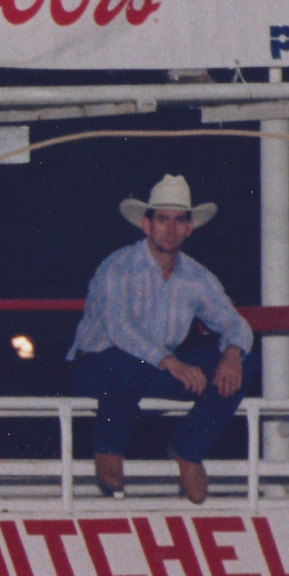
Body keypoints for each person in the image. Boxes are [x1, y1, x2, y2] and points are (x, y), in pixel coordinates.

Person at [67, 174, 256, 505]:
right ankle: (108, 448)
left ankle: (188, 448)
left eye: (179, 220)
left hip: (154, 370)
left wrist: (232, 353)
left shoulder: (196, 276)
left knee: (245, 361)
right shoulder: (118, 267)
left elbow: (234, 323)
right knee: (125, 360)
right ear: (147, 224)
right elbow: (119, 330)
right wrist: (172, 362)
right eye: (163, 219)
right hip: (99, 367)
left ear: (188, 228)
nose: (171, 228)